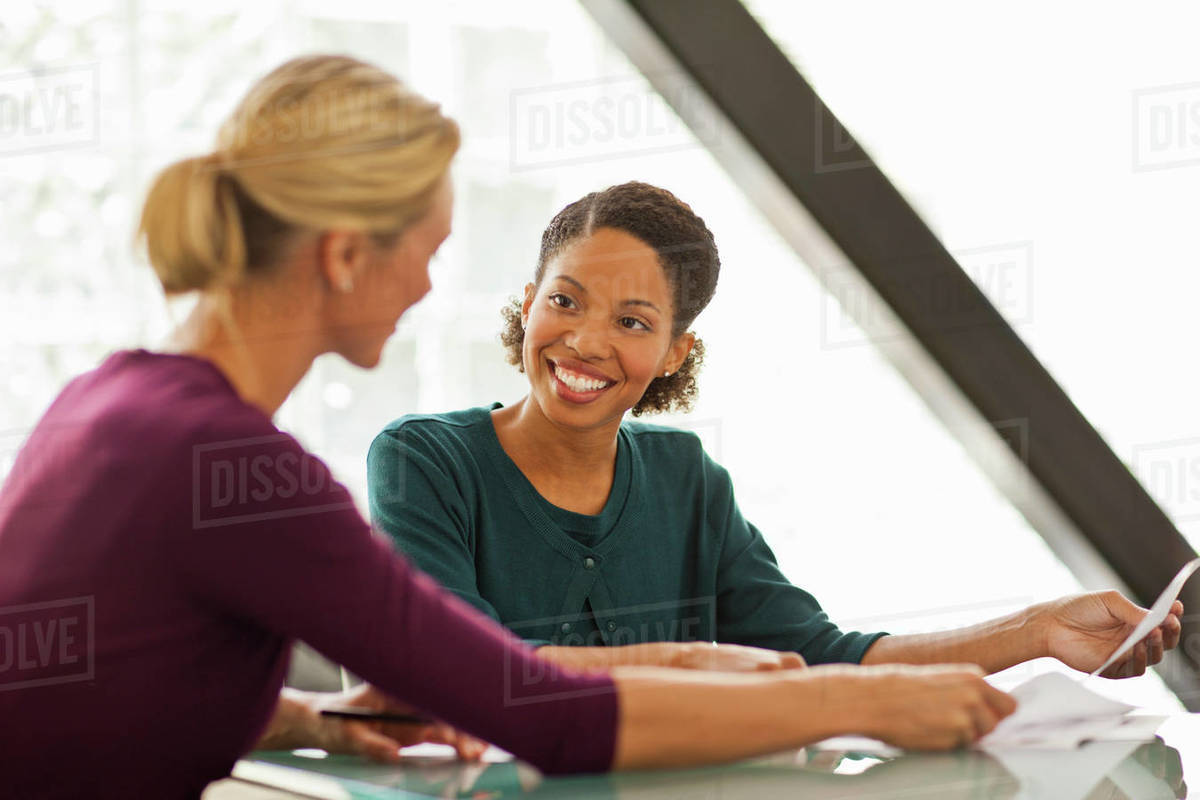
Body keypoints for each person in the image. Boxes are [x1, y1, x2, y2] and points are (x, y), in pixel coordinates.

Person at [0, 55, 1029, 800]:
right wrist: (867, 705)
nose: (432, 284)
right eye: (426, 248)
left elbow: (110, 668)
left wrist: (314, 723)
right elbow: (547, 713)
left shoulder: (111, 400)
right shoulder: (234, 469)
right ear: (346, 254)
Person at [368, 181, 1183, 679]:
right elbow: (463, 669)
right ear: (529, 297)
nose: (583, 341)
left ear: (672, 352)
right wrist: (705, 669)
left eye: (632, 319)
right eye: (565, 300)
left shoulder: (687, 479)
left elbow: (826, 656)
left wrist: (1034, 631)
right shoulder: (425, 462)